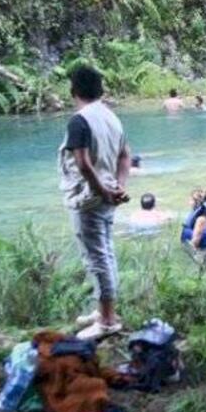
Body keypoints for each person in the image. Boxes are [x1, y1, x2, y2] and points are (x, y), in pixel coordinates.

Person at [59, 63, 132, 342]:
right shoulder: (112, 117)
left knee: (96, 256)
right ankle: (103, 311)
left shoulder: (80, 120)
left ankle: (107, 321)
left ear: (73, 90)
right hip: (108, 195)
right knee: (106, 251)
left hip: (89, 198)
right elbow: (125, 156)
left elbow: (83, 163)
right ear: (100, 90)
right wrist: (119, 186)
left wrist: (101, 190)